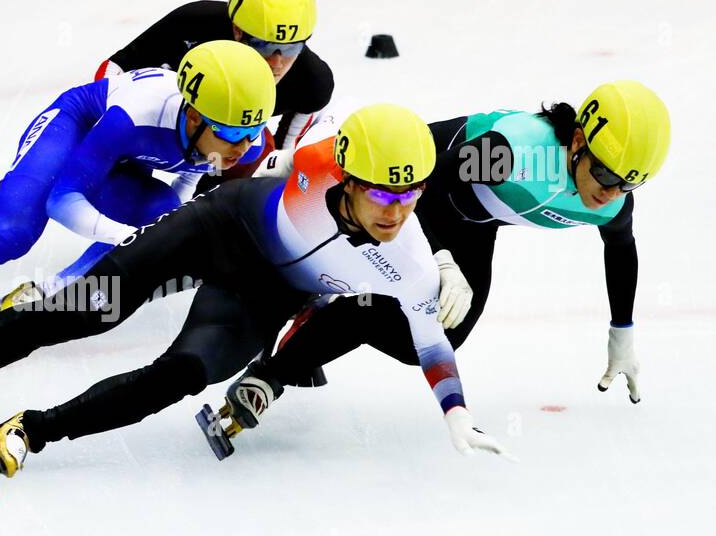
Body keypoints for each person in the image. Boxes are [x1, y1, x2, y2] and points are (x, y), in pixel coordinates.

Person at [0, 104, 511, 488]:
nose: (397, 211)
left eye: (412, 196)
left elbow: (432, 344)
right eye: (384, 194)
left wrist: (457, 416)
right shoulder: (317, 159)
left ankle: (33, 433)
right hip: (218, 227)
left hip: (264, 295)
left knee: (180, 375)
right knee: (83, 310)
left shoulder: (411, 260)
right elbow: (273, 167)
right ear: (346, 173)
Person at [259, 80, 671, 404]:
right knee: (373, 271)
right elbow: (420, 188)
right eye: (605, 175)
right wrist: (439, 258)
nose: (612, 192)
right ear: (578, 142)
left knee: (435, 335)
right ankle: (276, 365)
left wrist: (622, 334)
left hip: (473, 222)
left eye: (630, 183)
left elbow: (620, 249)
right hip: (409, 189)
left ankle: (297, 349)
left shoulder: (612, 203)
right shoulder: (511, 153)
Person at [0, 0, 333, 252]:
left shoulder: (312, 82)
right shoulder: (193, 23)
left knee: (242, 171)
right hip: (155, 112)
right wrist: (108, 144)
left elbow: (286, 148)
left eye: (291, 49)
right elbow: (114, 70)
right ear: (236, 29)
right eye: (262, 45)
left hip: (218, 140)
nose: (276, 62)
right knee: (71, 167)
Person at [0, 40, 276, 314]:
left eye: (253, 132)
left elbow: (189, 174)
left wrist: (147, 232)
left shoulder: (243, 143)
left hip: (125, 155)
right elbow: (62, 200)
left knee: (166, 214)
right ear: (193, 115)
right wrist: (126, 238)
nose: (243, 147)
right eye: (232, 134)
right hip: (76, 129)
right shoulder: (134, 116)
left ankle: (51, 293)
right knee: (9, 235)